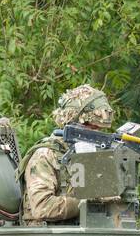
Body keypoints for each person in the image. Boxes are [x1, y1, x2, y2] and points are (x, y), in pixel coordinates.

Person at [17, 84, 114, 223]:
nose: (97, 134)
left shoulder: (91, 153)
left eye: (100, 129)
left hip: (83, 233)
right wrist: (88, 203)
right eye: (92, 127)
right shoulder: (46, 155)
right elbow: (42, 207)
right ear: (73, 123)